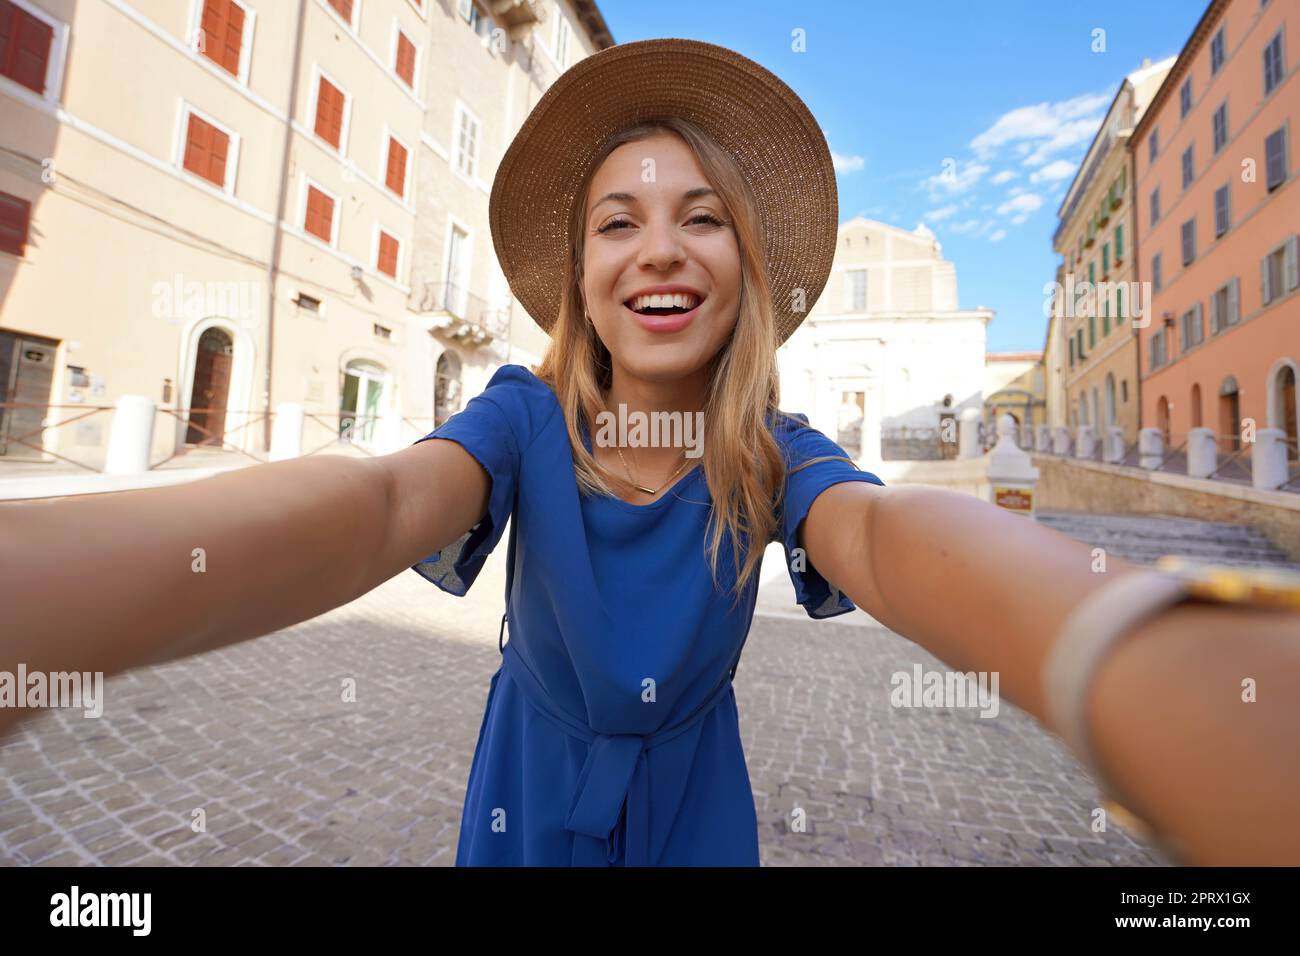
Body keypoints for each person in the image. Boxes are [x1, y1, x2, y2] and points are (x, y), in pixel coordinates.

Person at [2, 39, 1299, 867]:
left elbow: (893, 540)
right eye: (618, 220)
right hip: (526, 800)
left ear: (746, 269)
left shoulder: (778, 458)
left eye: (703, 219)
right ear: (581, 273)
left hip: (696, 815)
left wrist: (1132, 641)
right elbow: (381, 499)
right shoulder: (518, 418)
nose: (661, 247)